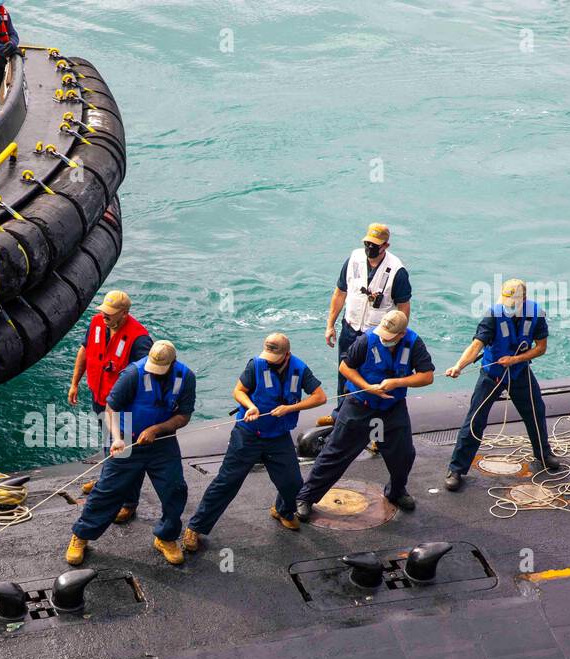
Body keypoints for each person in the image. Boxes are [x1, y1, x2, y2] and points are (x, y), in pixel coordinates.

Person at [182, 334, 326, 551]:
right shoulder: (256, 365)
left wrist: (290, 408)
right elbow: (238, 391)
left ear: (287, 355)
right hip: (248, 435)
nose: (269, 360)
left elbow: (320, 397)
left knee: (292, 483)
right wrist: (250, 406)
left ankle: (282, 511)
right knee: (226, 482)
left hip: (278, 437)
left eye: (274, 357)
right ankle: (196, 527)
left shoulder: (299, 368)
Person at [67, 341, 195, 567]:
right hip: (126, 437)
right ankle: (82, 535)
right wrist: (117, 438)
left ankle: (165, 537)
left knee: (175, 489)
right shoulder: (133, 373)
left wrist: (156, 429)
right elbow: (111, 408)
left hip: (162, 442)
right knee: (108, 490)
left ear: (172, 363)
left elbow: (184, 416)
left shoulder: (186, 377)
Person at [296, 309, 433, 519]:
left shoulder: (414, 343)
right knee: (335, 453)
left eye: (389, 337)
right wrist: (368, 387)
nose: (384, 339)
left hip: (392, 408)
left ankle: (396, 492)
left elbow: (427, 376)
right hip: (360, 404)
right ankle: (305, 497)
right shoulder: (366, 340)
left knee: (404, 455)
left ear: (402, 334)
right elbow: (345, 367)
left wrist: (398, 383)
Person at [443, 279, 564, 490]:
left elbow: (541, 347)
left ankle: (543, 454)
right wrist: (458, 366)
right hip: (493, 373)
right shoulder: (493, 316)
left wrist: (516, 360)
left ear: (524, 300)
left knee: (536, 410)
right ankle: (456, 468)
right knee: (475, 420)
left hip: (519, 372)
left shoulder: (536, 314)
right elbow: (476, 345)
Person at [67, 290, 152, 518]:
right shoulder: (96, 322)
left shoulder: (139, 339)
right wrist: (75, 383)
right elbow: (85, 351)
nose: (104, 315)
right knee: (108, 443)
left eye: (110, 313)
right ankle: (108, 479)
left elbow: (146, 378)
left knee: (125, 453)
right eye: (103, 311)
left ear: (125, 314)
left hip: (124, 408)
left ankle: (128, 502)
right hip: (100, 398)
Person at [321, 222, 411, 423]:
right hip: (350, 327)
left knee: (373, 377)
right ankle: (340, 415)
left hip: (377, 334)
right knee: (345, 370)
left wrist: (398, 335)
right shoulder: (353, 259)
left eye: (375, 245)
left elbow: (403, 306)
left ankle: (373, 422)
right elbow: (340, 293)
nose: (370, 248)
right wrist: (330, 325)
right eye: (367, 243)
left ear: (385, 246)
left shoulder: (397, 270)